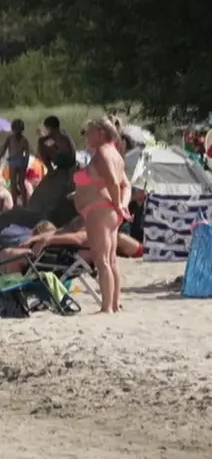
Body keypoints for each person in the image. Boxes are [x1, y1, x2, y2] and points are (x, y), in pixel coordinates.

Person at [74, 118, 130, 314]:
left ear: (99, 132)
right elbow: (125, 186)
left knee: (102, 259)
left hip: (99, 210)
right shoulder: (115, 154)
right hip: (107, 209)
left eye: (89, 132)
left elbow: (114, 182)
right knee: (110, 259)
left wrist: (117, 204)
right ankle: (114, 304)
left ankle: (107, 306)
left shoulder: (103, 153)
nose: (87, 136)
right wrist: (121, 205)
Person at [0, 119, 32, 200]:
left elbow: (27, 154)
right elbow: (3, 149)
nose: (18, 131)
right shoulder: (20, 139)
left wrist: (26, 164)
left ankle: (21, 203)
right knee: (17, 184)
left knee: (18, 183)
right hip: (17, 161)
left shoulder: (14, 139)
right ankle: (18, 203)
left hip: (17, 161)